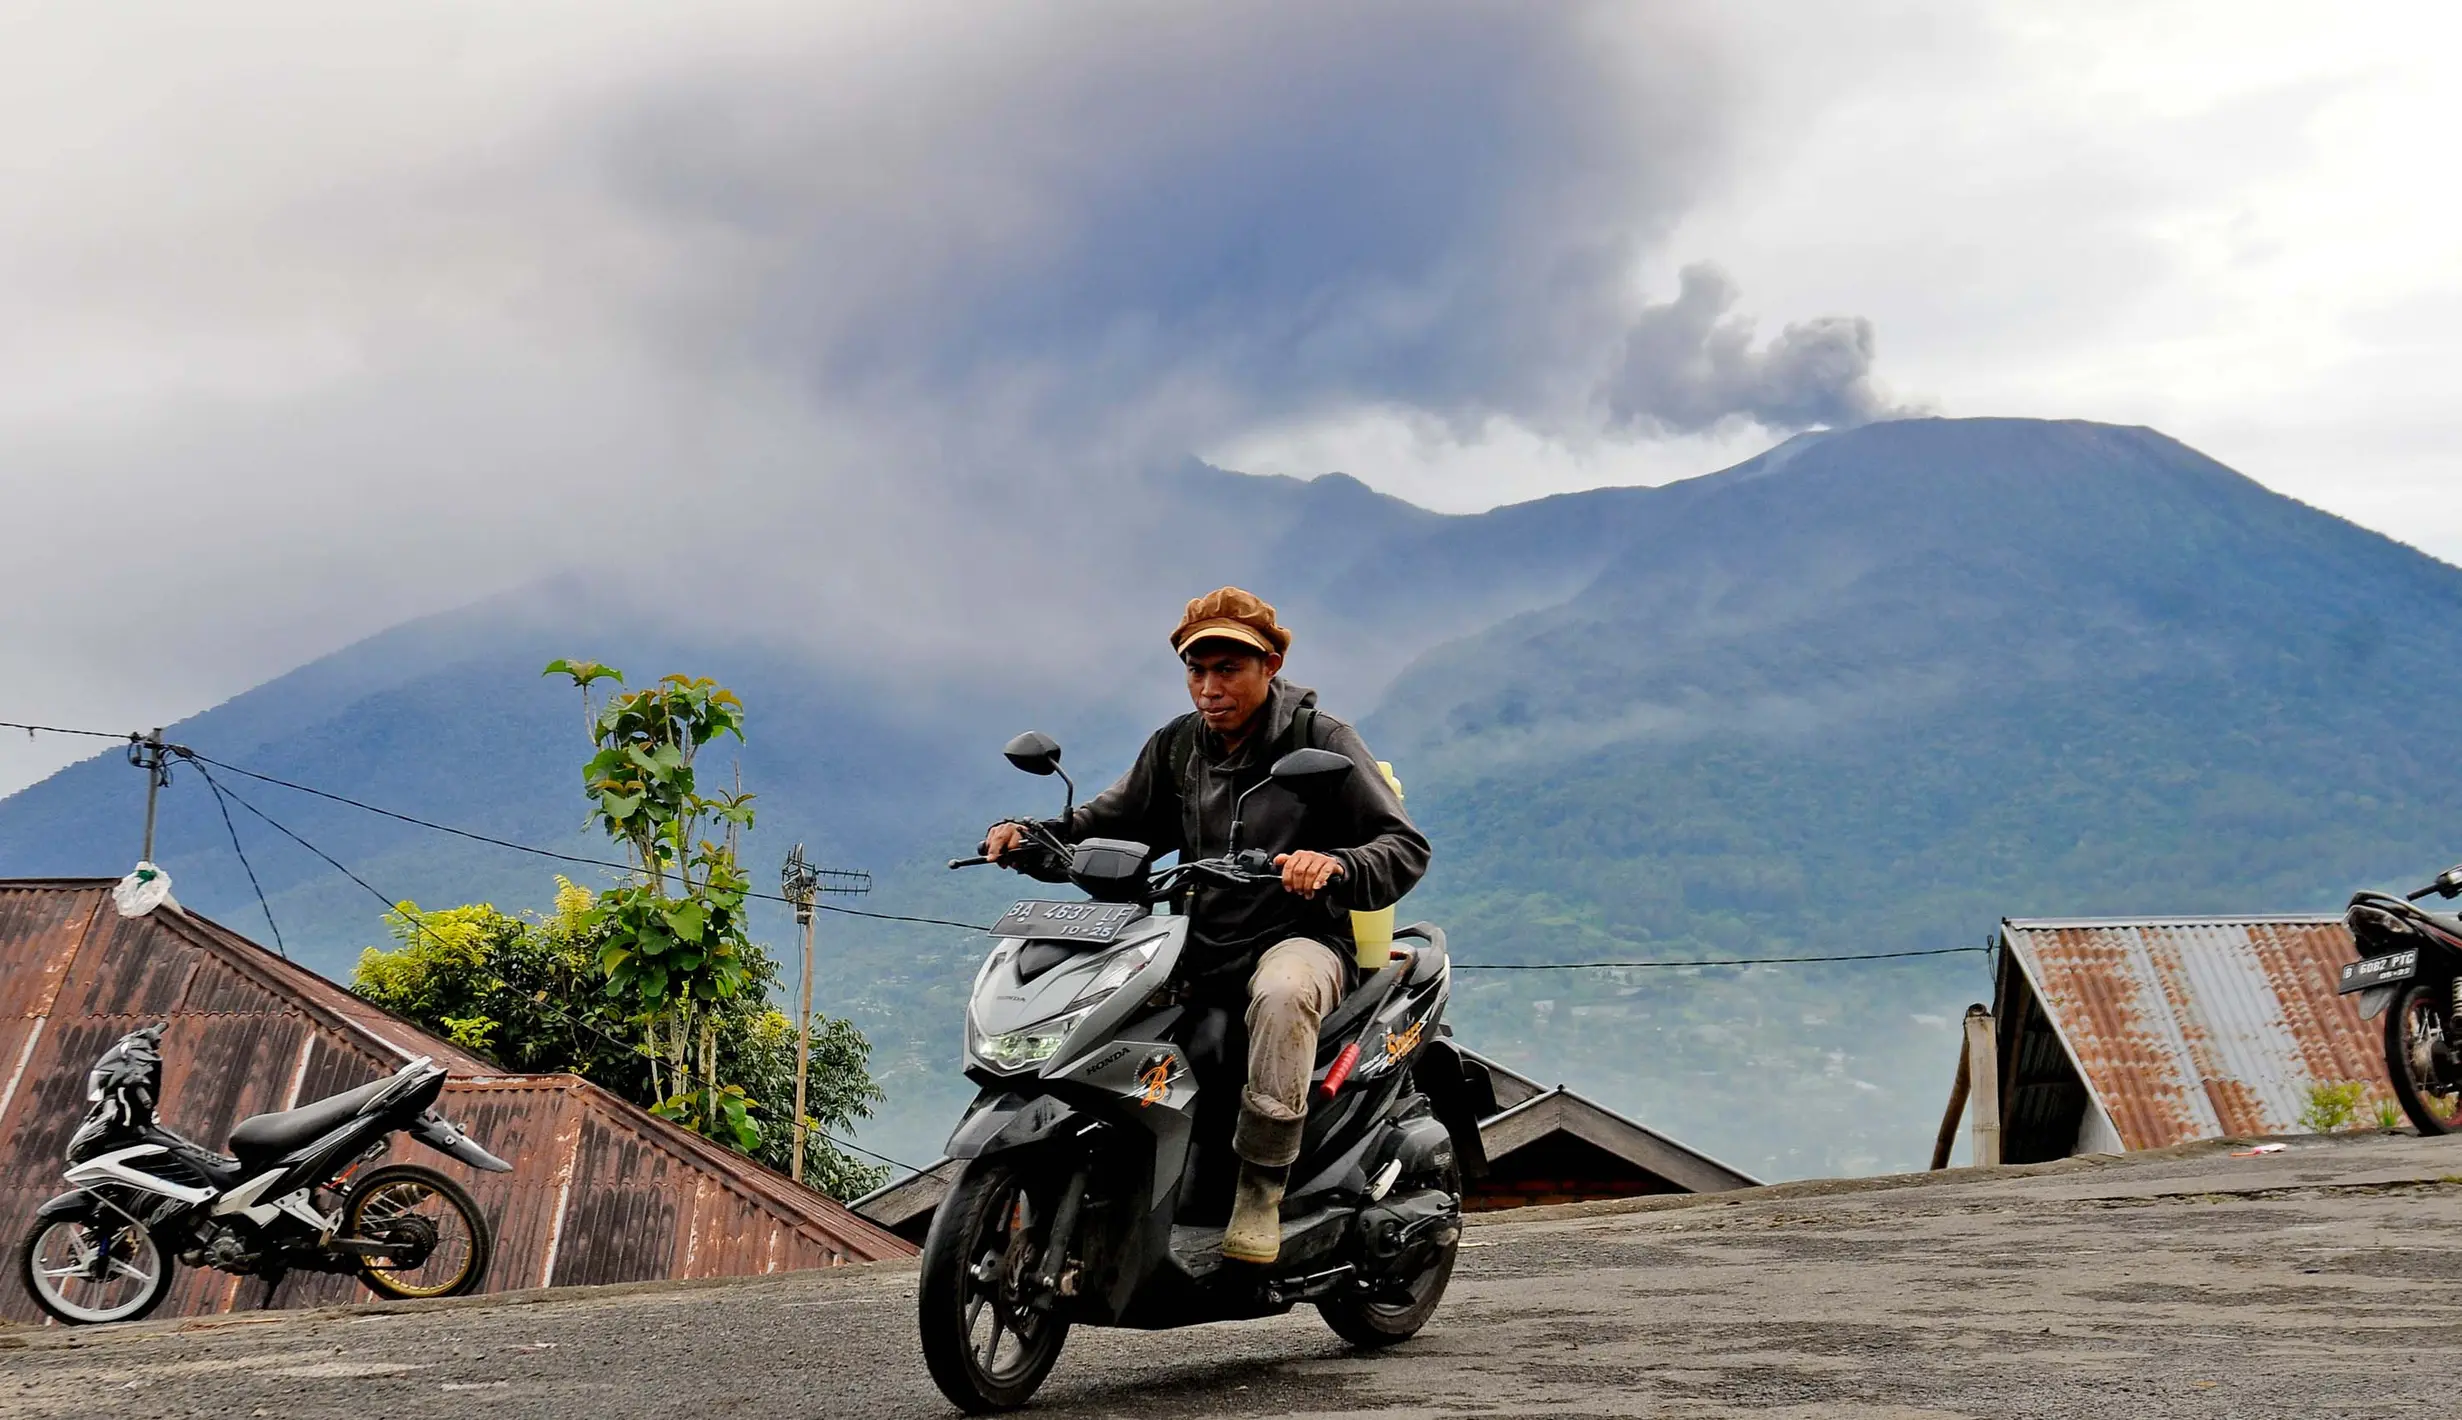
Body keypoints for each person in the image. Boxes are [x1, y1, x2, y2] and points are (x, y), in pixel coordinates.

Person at [981, 586, 1430, 1263]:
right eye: (1198, 670)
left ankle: (1260, 1185)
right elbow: (1109, 820)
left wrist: (1333, 865)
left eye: (1228, 669)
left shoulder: (1321, 740)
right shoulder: (1178, 748)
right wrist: (1029, 836)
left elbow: (1403, 847)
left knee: (1281, 995)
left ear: (1270, 665)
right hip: (1195, 940)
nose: (1209, 687)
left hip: (1300, 940)